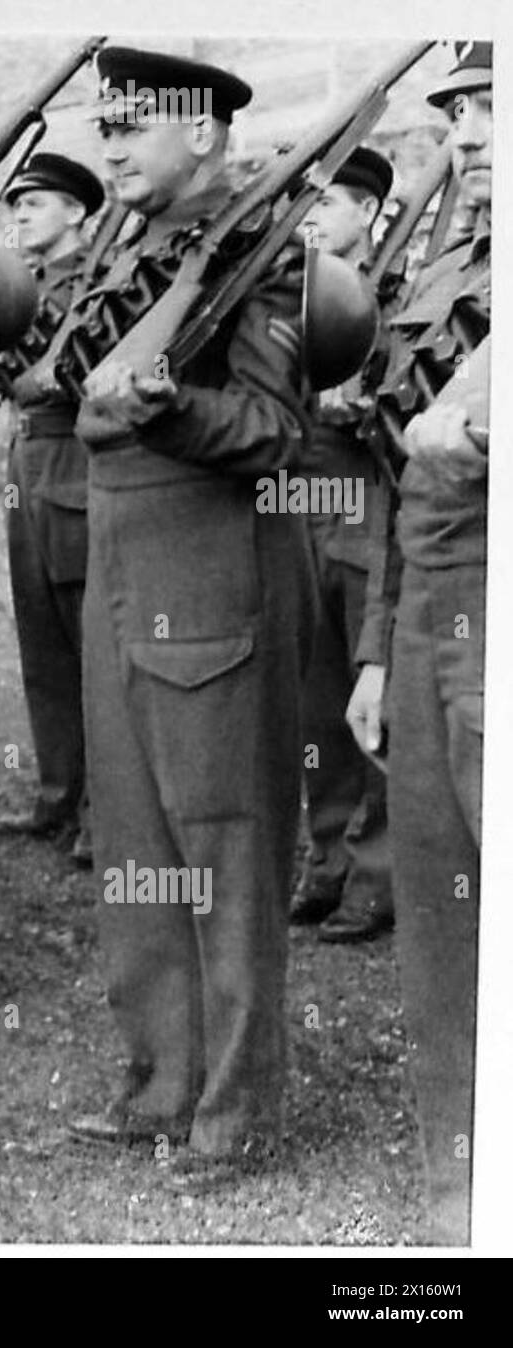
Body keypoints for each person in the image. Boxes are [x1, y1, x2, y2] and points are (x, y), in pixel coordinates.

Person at [61, 48, 315, 1189]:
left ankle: (237, 1107)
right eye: (102, 124)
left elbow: (269, 429)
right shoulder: (127, 244)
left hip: (208, 557)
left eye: (135, 125)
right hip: (117, 547)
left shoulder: (265, 248)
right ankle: (162, 1078)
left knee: (220, 838)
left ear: (205, 133)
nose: (110, 143)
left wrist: (169, 413)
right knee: (137, 837)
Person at [346, 41, 491, 1244]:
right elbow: (402, 463)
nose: (474, 132)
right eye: (460, 113)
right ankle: (462, 1183)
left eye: (497, 106)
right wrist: (380, 648)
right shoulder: (455, 264)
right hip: (431, 594)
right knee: (444, 911)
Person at [289, 147, 395, 943]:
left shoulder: (397, 296)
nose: (314, 215)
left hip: (364, 509)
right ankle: (326, 859)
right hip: (300, 509)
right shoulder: (294, 298)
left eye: (330, 201)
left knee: (372, 699)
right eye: (309, 201)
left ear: (370, 214)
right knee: (316, 701)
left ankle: (375, 876)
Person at [0, 152, 106, 867]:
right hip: (25, 467)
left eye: (37, 203)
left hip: (74, 465)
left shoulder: (99, 284)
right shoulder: (15, 288)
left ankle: (105, 808)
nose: (21, 214)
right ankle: (59, 793)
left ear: (76, 212)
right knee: (42, 646)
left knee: (90, 646)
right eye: (17, 205)